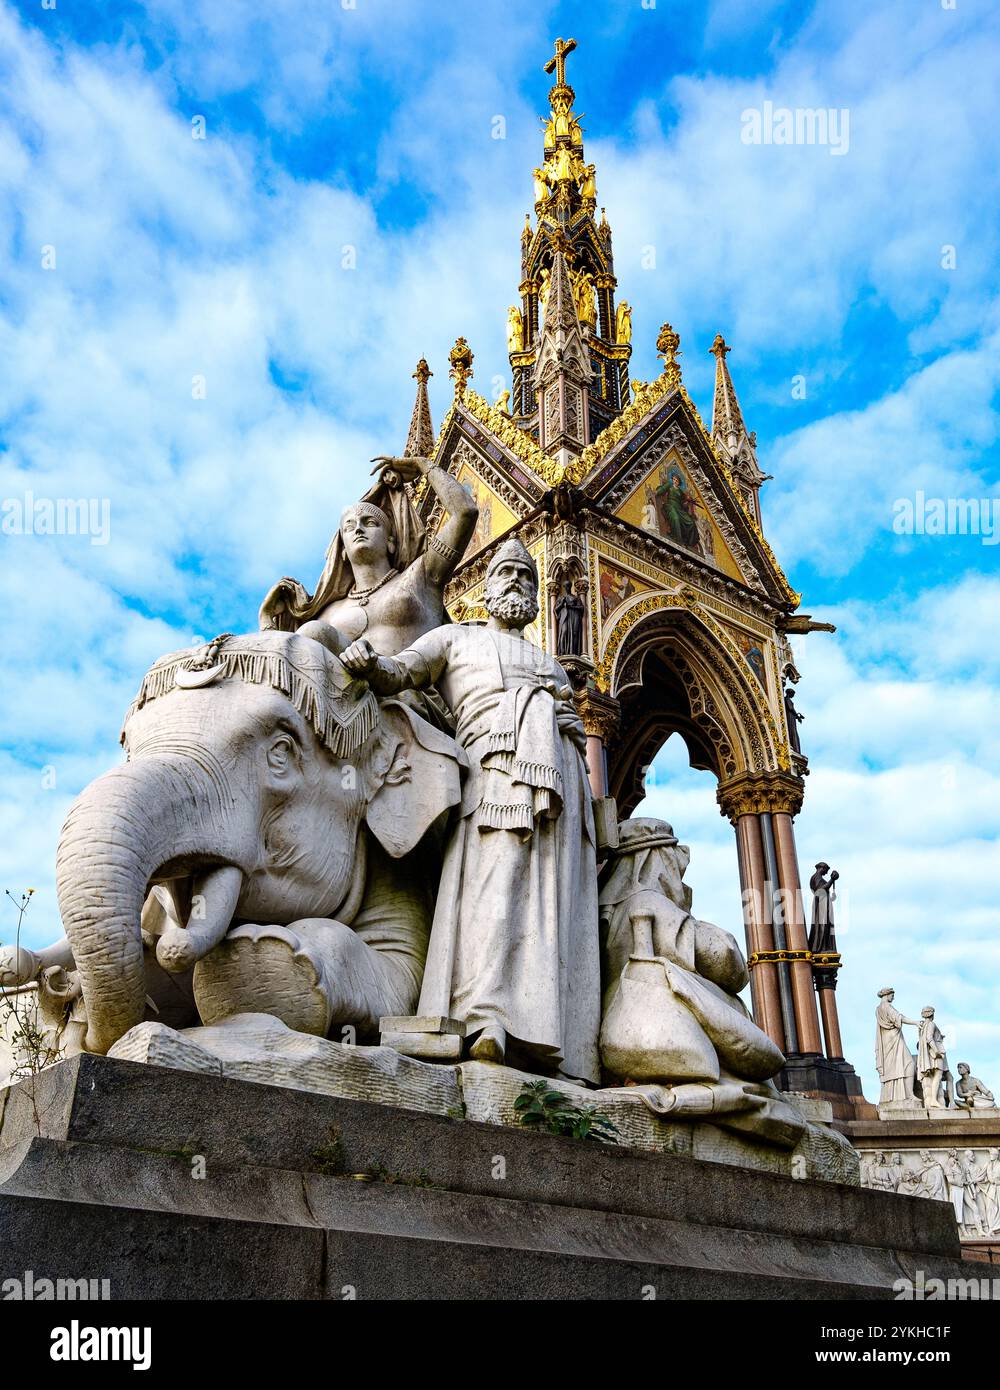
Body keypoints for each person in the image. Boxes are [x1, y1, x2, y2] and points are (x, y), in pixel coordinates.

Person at [341, 537, 601, 1084]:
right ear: (485, 587)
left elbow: (572, 724)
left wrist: (570, 730)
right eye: (506, 573)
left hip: (559, 787)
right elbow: (401, 672)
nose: (516, 583)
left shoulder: (551, 662)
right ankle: (484, 1018)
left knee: (547, 906)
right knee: (494, 888)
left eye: (527, 577)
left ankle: (548, 1037)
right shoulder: (454, 639)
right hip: (496, 771)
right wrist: (369, 663)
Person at [259, 455, 477, 660]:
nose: (359, 529)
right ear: (343, 550)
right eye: (350, 526)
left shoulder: (420, 577)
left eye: (370, 522)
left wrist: (423, 465)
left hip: (403, 688)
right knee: (312, 632)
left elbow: (465, 513)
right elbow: (288, 663)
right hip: (341, 694)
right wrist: (267, 620)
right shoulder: (329, 613)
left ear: (391, 542)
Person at [874, 987, 919, 1104]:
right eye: (892, 995)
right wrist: (915, 1022)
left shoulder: (878, 1009)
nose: (893, 997)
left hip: (886, 1040)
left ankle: (894, 1095)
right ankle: (909, 1095)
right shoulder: (887, 1007)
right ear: (887, 995)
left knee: (893, 1066)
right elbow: (900, 1017)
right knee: (909, 1063)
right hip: (893, 1039)